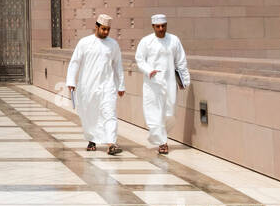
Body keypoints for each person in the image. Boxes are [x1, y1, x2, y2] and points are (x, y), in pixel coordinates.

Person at [65, 13, 126, 155]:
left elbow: (118, 65)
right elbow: (75, 62)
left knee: (109, 113)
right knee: (89, 113)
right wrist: (71, 81)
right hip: (88, 86)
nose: (105, 32)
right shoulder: (84, 42)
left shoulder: (113, 45)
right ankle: (92, 140)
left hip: (107, 86)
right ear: (96, 27)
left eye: (108, 30)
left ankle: (111, 143)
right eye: (103, 29)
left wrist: (121, 85)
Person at [135, 13, 189, 155]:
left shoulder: (174, 40)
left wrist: (184, 80)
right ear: (153, 26)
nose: (161, 29)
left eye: (163, 26)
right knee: (153, 113)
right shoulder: (146, 41)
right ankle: (162, 142)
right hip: (152, 84)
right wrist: (149, 70)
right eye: (158, 26)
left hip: (169, 81)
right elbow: (140, 59)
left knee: (169, 113)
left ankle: (161, 136)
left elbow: (181, 61)